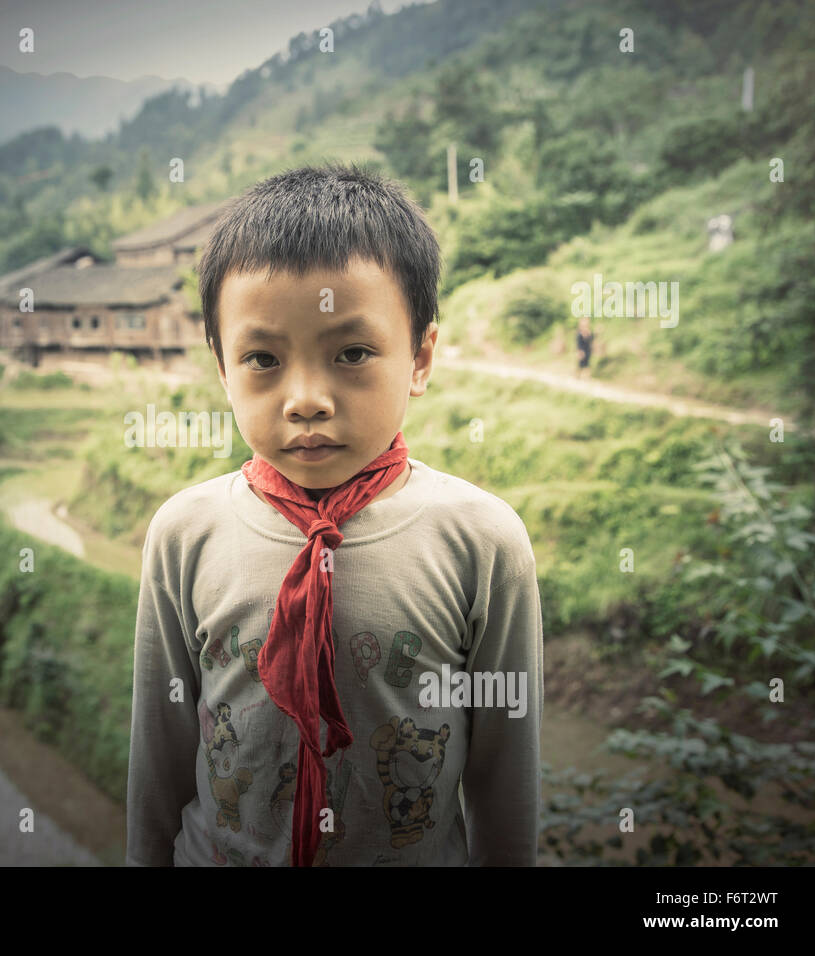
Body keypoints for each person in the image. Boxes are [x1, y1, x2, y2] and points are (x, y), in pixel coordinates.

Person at [125, 163, 544, 867]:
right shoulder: (184, 534)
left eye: (352, 353)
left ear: (420, 355)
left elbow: (506, 779)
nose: (307, 399)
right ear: (221, 367)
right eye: (262, 357)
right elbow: (157, 758)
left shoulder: (482, 541)